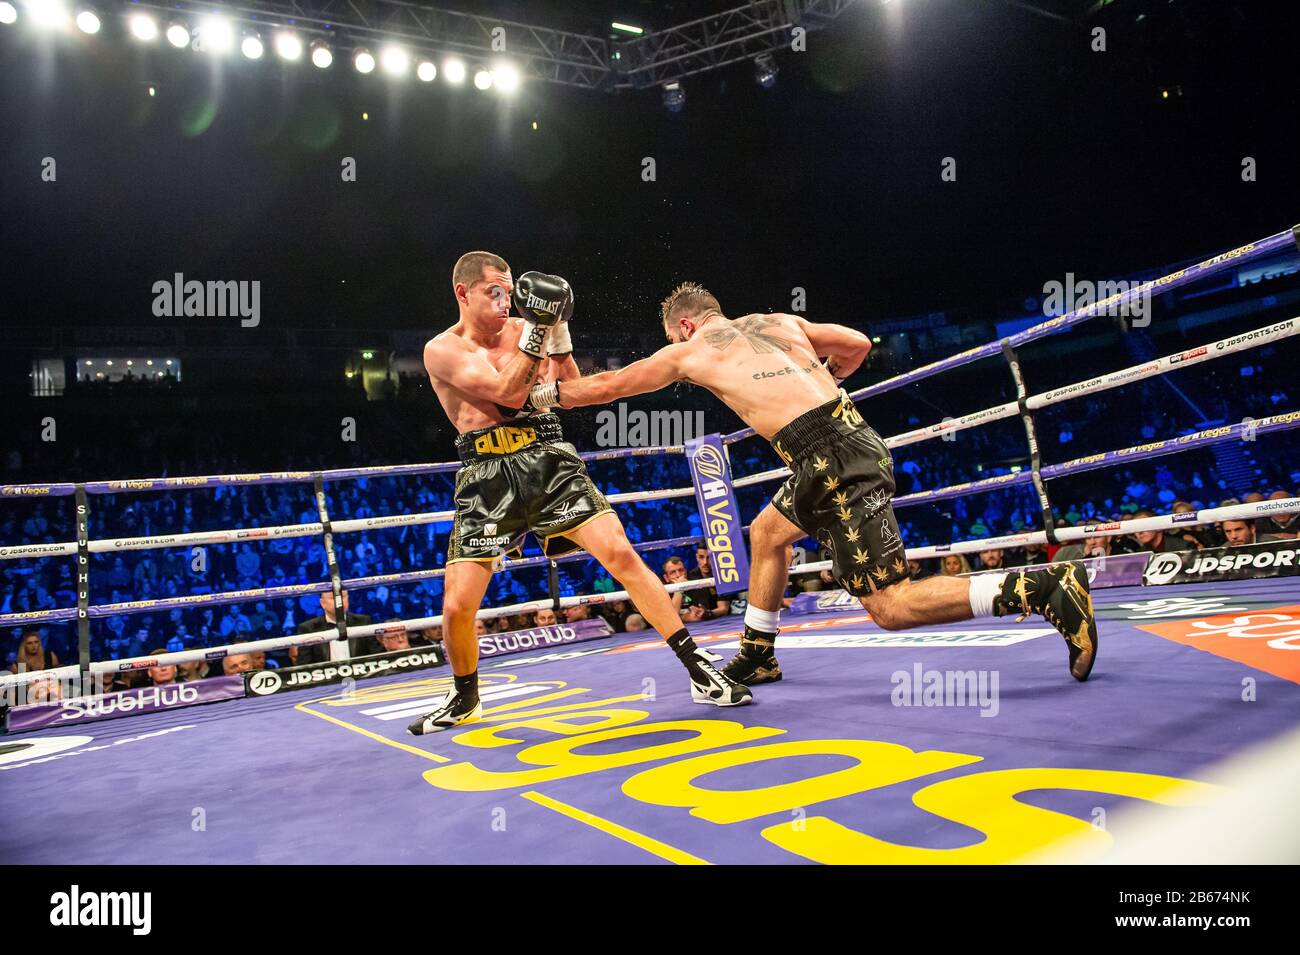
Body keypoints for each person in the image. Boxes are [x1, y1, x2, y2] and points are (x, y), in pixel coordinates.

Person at [530, 282, 1098, 685]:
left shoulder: (689, 350)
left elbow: (604, 388)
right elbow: (856, 344)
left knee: (889, 605)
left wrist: (544, 386)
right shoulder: (781, 322)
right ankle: (758, 652)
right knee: (767, 532)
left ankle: (1041, 587)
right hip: (846, 438)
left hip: (830, 458)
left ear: (682, 325)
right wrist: (827, 382)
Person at [409, 255, 748, 734]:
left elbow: (572, 388)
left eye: (508, 292)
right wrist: (540, 329)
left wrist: (559, 330)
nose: (506, 302)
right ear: (463, 293)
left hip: (549, 458)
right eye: (493, 293)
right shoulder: (441, 350)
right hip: (486, 475)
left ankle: (698, 668)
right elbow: (507, 394)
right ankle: (465, 697)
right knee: (457, 605)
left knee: (621, 555)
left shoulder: (528, 327)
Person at [295, 590, 375, 664]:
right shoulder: (308, 628)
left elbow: (376, 655)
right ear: (322, 603)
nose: (338, 601)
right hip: (326, 678)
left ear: (348, 599)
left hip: (361, 677)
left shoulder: (363, 621)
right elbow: (305, 664)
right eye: (333, 598)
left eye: (342, 596)